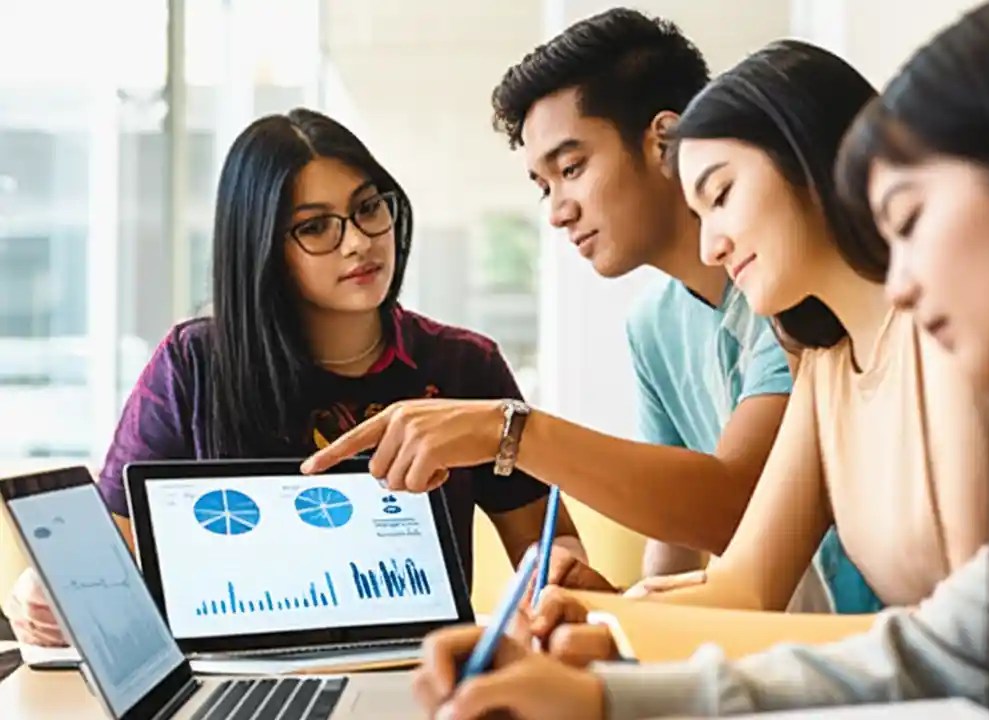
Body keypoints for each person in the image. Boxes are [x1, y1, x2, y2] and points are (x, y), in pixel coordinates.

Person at [408, 1, 989, 717]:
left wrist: (511, 438)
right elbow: (938, 646)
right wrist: (600, 682)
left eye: (906, 218)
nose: (900, 280)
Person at [301, 8, 865, 610]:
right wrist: (609, 604)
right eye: (544, 186)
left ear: (664, 141)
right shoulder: (654, 327)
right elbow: (682, 559)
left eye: (572, 169)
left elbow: (736, 504)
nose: (558, 210)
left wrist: (506, 430)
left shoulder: (790, 302)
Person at [2, 108, 583, 647]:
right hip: (230, 674)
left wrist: (561, 579)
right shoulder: (194, 365)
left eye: (369, 208)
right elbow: (105, 560)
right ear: (263, 247)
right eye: (315, 227)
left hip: (417, 674)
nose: (357, 241)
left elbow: (548, 549)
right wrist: (48, 593)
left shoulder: (462, 366)